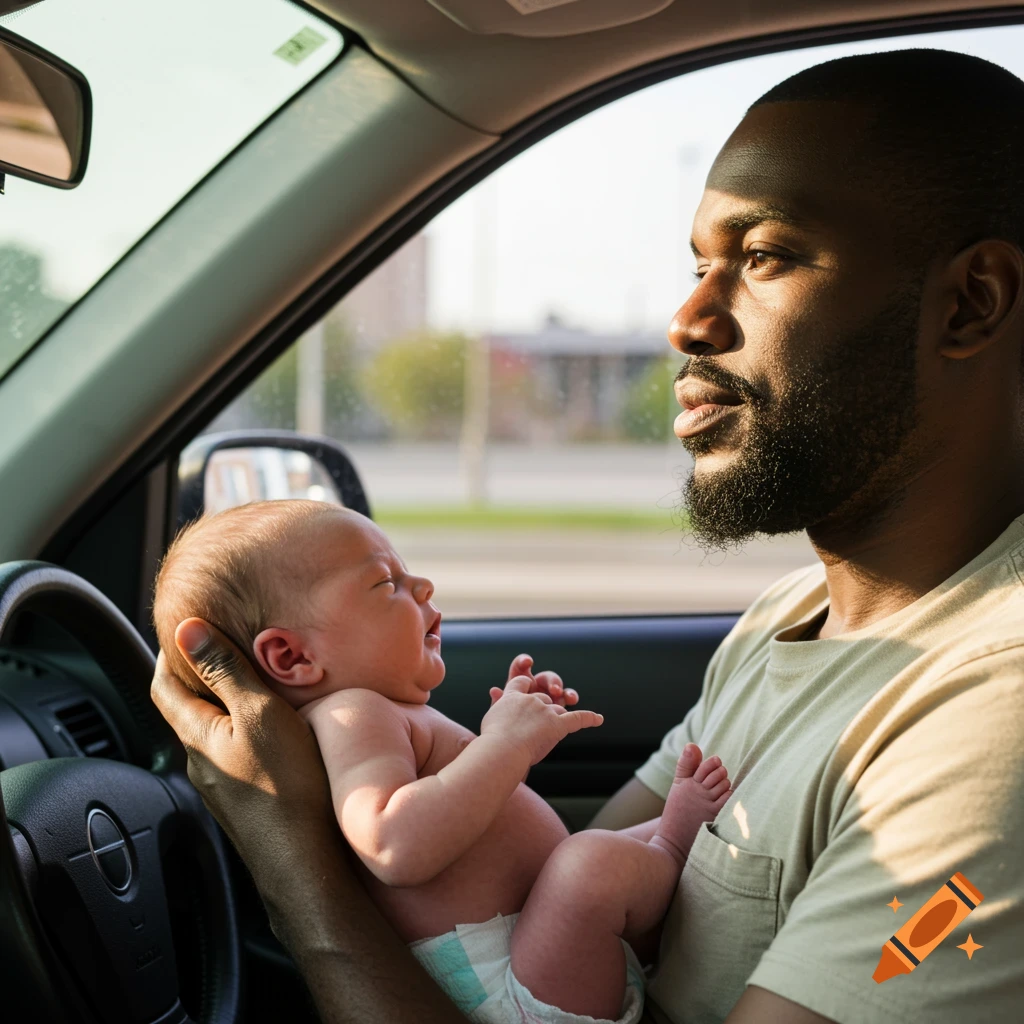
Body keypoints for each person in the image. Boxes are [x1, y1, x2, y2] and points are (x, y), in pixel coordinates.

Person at [152, 48, 1024, 1023]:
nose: (686, 318)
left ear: (969, 302)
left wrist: (293, 865)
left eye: (764, 255)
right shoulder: (796, 612)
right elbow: (564, 873)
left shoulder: (996, 715)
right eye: (699, 265)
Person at [152, 499, 733, 1023]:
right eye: (385, 583)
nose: (423, 586)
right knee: (589, 865)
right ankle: (674, 852)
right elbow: (393, 844)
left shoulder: (380, 715)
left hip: (534, 955)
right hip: (507, 989)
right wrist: (508, 746)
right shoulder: (351, 714)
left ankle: (668, 851)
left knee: (600, 857)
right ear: (292, 656)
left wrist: (500, 736)